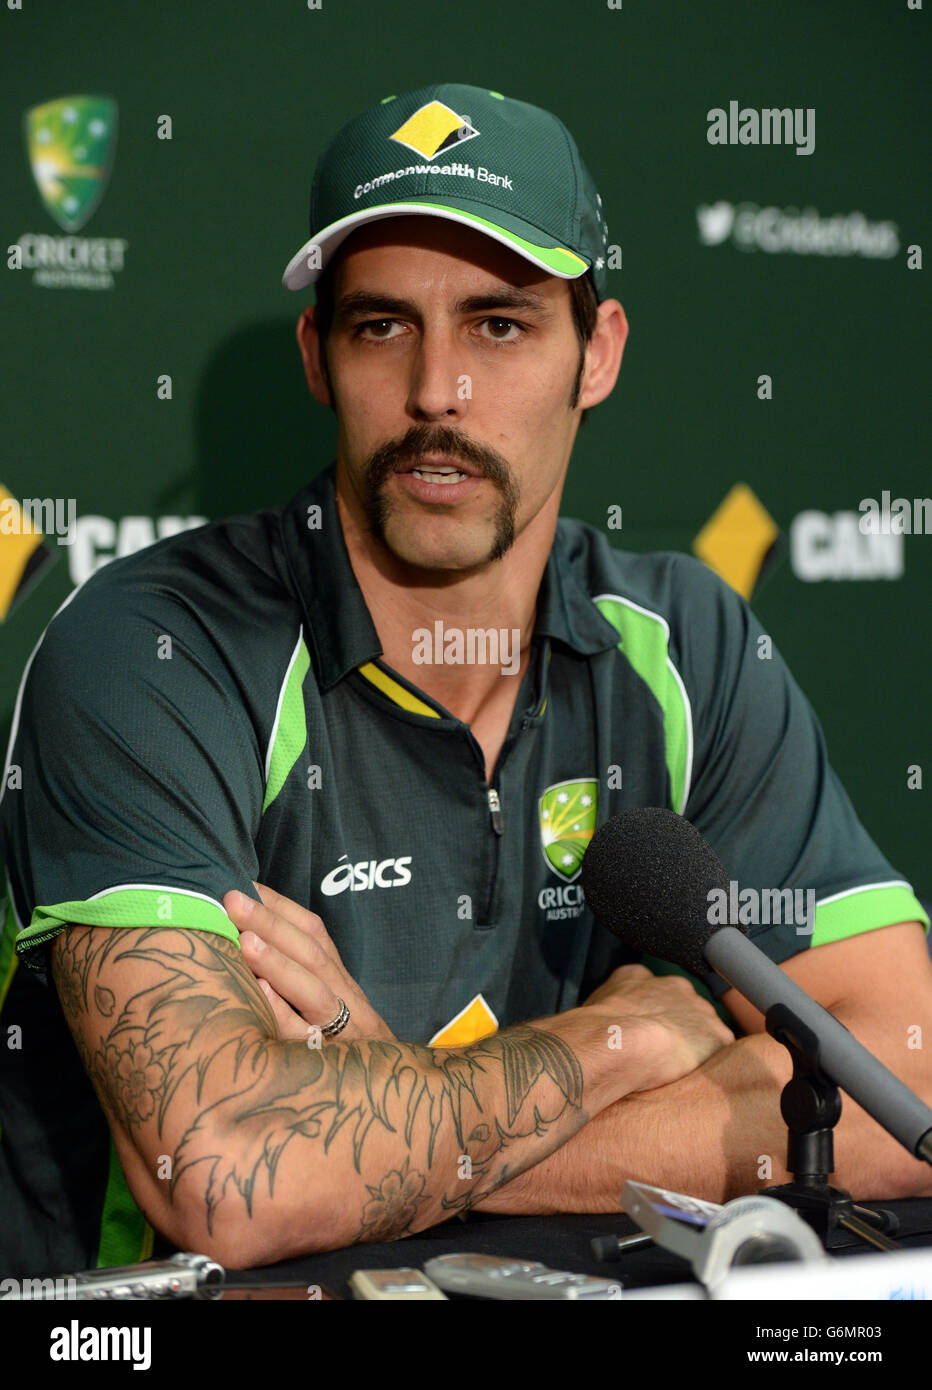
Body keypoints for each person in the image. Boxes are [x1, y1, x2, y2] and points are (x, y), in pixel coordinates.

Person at [0, 83, 929, 1277]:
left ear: (595, 355)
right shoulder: (153, 648)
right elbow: (229, 1181)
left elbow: (895, 1070)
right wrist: (611, 1044)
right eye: (381, 326)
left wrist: (377, 1102)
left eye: (498, 324)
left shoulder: (682, 640)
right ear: (317, 357)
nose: (438, 392)